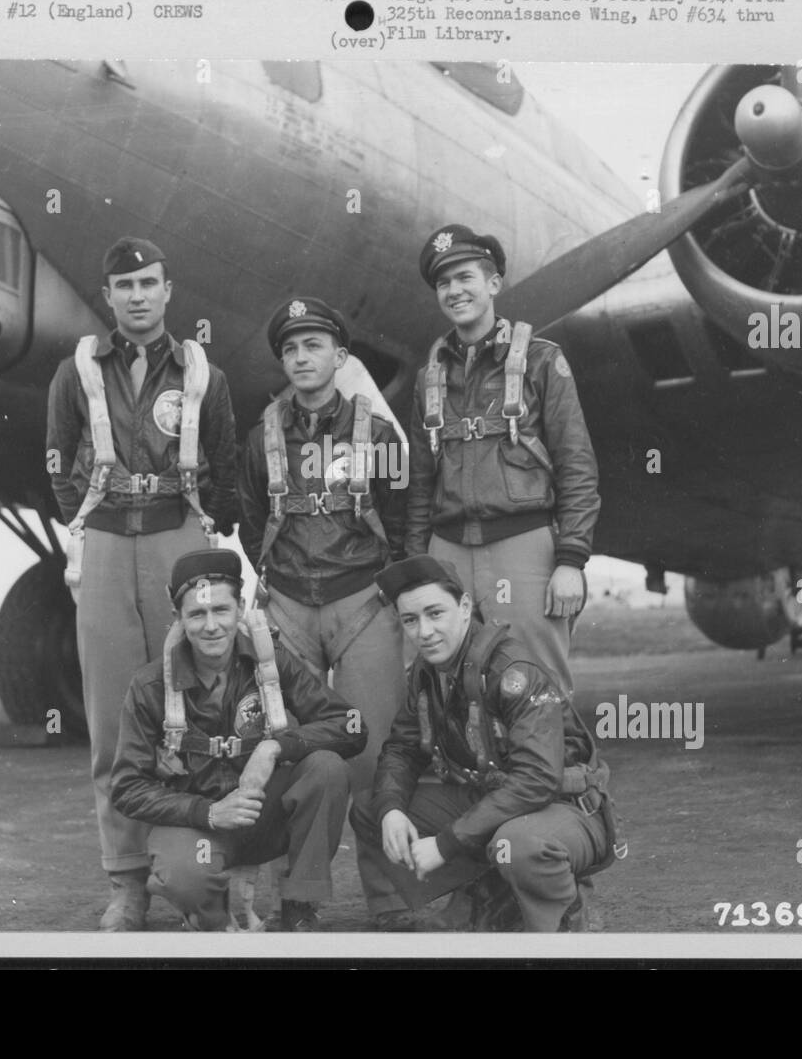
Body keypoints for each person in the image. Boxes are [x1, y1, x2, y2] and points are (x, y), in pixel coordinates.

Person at [46, 236, 238, 931]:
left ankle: (193, 872)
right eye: (123, 284)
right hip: (102, 540)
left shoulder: (200, 371)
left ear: (168, 290)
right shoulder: (76, 371)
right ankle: (127, 881)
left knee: (192, 707)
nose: (136, 295)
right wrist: (86, 523)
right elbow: (57, 455)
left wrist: (198, 533)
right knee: (112, 716)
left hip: (176, 539)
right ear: (108, 296)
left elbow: (223, 459)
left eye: (147, 282)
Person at [349, 555, 618, 932]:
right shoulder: (428, 671)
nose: (424, 631)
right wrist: (391, 809)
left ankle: (564, 915)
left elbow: (536, 780)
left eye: (435, 613)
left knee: (520, 844)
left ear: (463, 608)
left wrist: (445, 844)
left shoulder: (512, 670)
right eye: (411, 620)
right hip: (495, 800)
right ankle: (488, 892)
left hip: (561, 807)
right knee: (370, 808)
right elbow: (402, 749)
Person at [111, 549, 368, 932]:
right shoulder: (150, 687)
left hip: (264, 816)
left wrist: (276, 746)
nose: (211, 626)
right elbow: (127, 786)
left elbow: (350, 726)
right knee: (186, 877)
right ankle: (214, 923)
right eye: (197, 614)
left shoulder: (271, 662)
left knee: (327, 769)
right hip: (199, 824)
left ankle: (299, 905)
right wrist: (207, 812)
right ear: (178, 619)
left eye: (221, 610)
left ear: (240, 609)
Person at [405, 224, 601, 696]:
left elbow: (576, 464)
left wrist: (571, 559)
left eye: (465, 277)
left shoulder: (541, 361)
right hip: (447, 549)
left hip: (525, 544)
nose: (455, 291)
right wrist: (415, 564)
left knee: (537, 686)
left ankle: (559, 773)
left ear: (493, 284)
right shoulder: (428, 378)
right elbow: (419, 482)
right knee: (452, 688)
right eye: (444, 283)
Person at [238, 295, 407, 791]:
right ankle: (301, 873)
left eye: (314, 345)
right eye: (290, 349)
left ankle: (383, 870)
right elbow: (251, 521)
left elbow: (399, 519)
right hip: (287, 605)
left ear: (340, 357)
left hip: (363, 601)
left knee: (374, 751)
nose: (302, 357)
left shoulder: (379, 437)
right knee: (288, 751)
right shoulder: (258, 441)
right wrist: (284, 578)